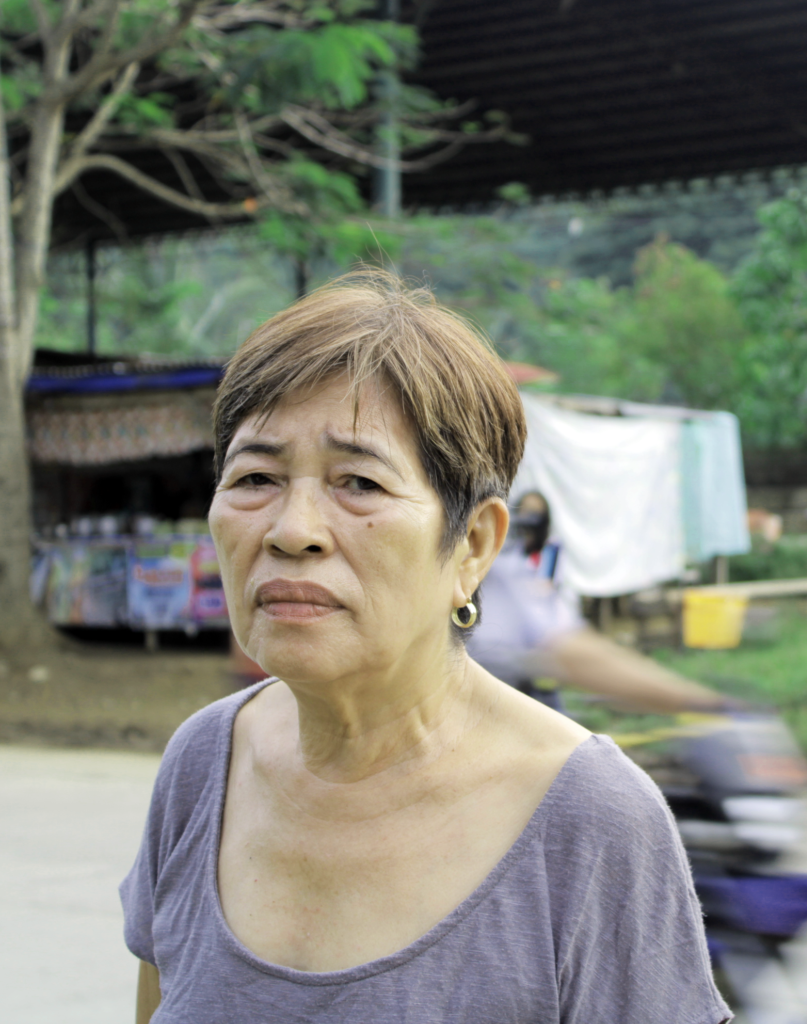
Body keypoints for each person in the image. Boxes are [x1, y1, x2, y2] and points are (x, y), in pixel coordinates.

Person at [121, 271, 730, 1024]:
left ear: (473, 544)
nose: (291, 528)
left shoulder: (590, 822)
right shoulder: (203, 766)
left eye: (360, 483)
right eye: (255, 477)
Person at [469, 490, 729, 714]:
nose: (528, 524)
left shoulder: (544, 551)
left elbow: (547, 595)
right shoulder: (499, 565)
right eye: (524, 514)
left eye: (535, 516)